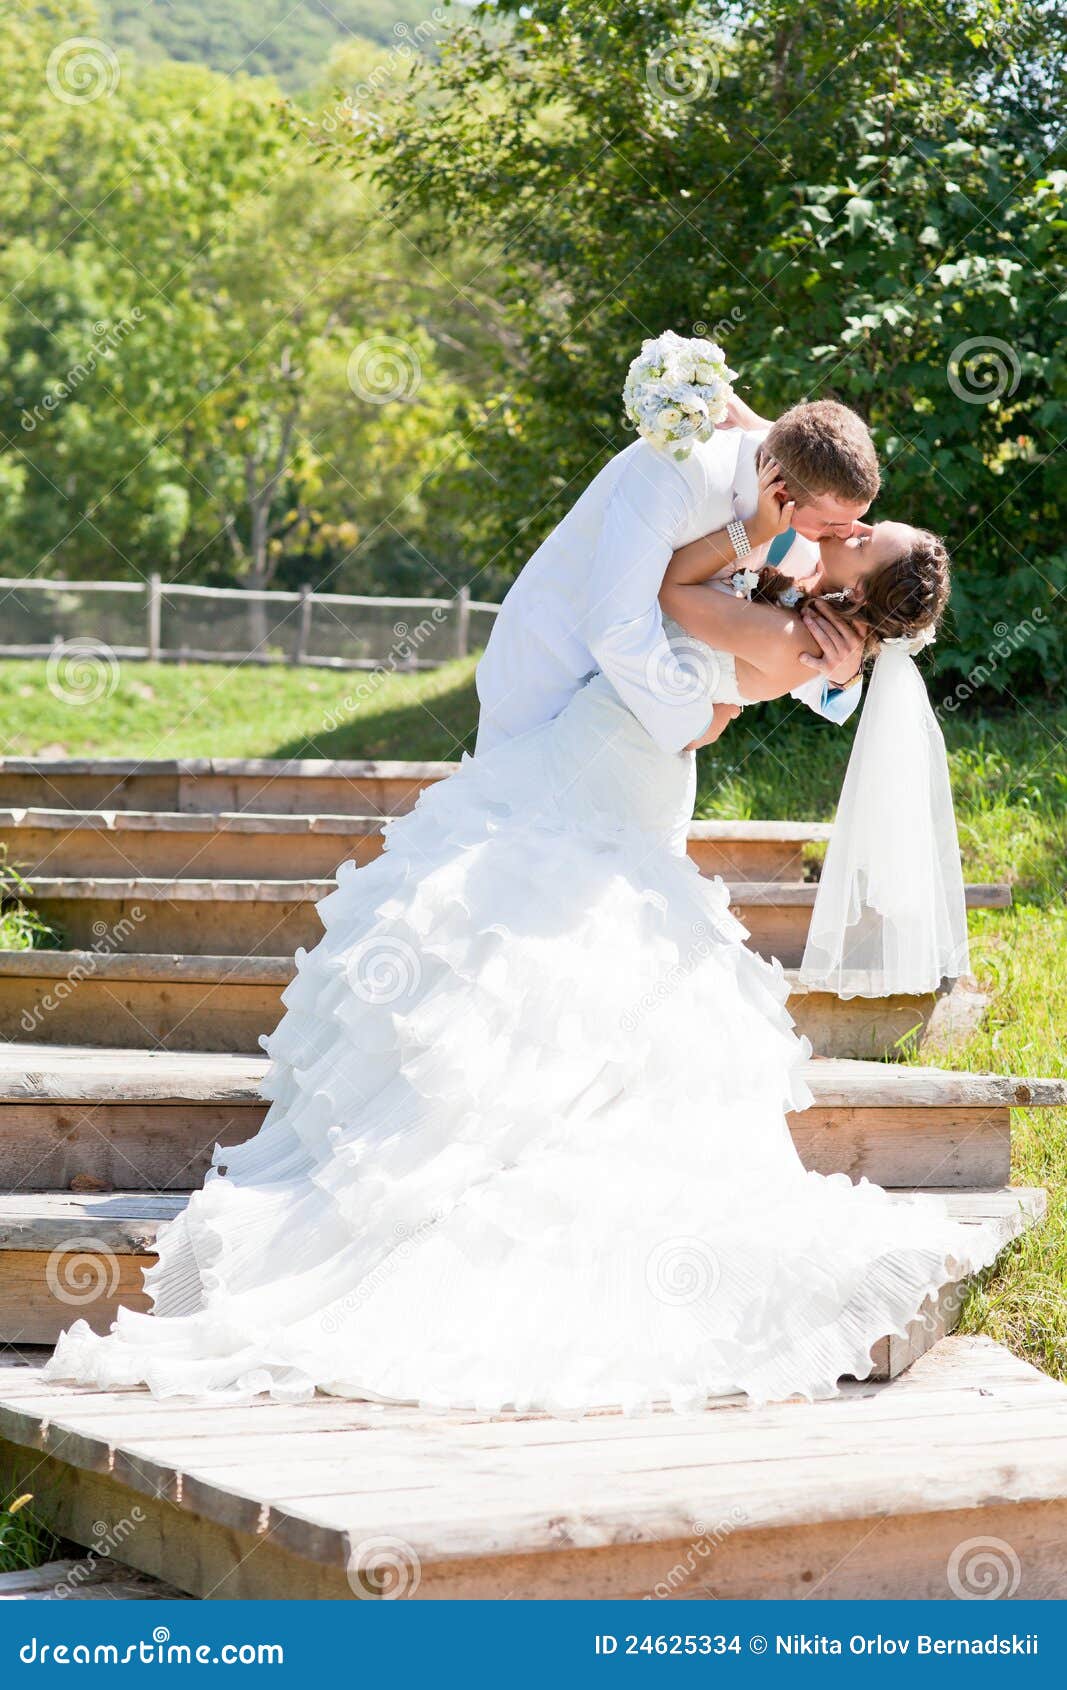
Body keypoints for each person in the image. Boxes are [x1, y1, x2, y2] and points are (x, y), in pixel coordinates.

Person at [45, 480, 991, 1414]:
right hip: (617, 763)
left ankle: (461, 1160)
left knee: (520, 942)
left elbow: (665, 594)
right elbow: (708, 708)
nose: (853, 528)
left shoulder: (797, 637)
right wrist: (778, 566)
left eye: (864, 542)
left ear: (856, 596)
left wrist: (759, 532)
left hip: (602, 774)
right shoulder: (805, 631)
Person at [474, 397, 877, 759]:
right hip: (553, 668)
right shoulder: (677, 468)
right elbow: (616, 623)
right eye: (833, 522)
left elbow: (783, 635)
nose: (847, 532)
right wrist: (695, 724)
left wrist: (843, 677)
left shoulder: (801, 517)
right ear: (782, 492)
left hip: (649, 718)